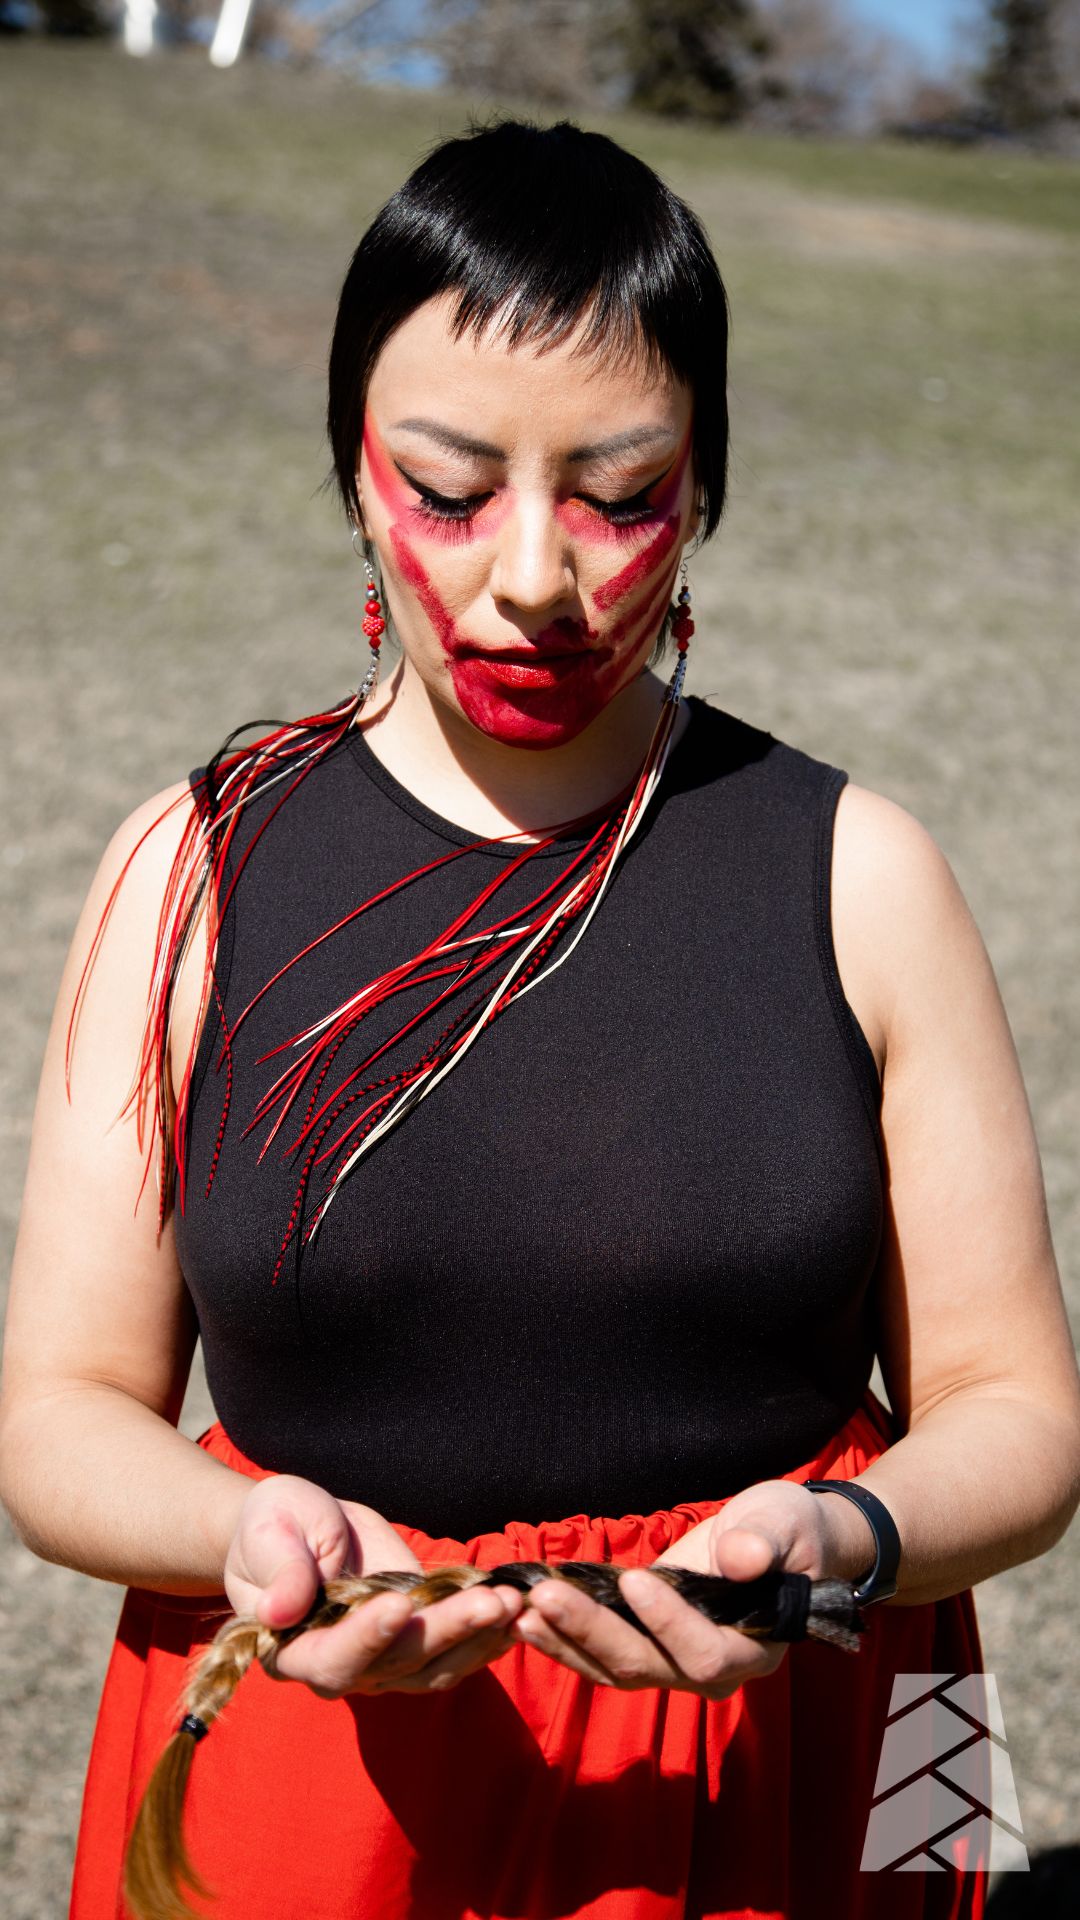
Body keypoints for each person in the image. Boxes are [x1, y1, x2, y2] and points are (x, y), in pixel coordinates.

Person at [1, 115, 1078, 1920]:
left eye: (618, 493)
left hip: (812, 1740)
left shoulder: (863, 871)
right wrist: (242, 1537)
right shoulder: (189, 872)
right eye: (447, 488)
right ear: (353, 473)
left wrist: (845, 1543)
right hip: (315, 1778)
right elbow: (59, 1416)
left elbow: (1015, 1413)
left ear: (704, 485)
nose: (530, 574)